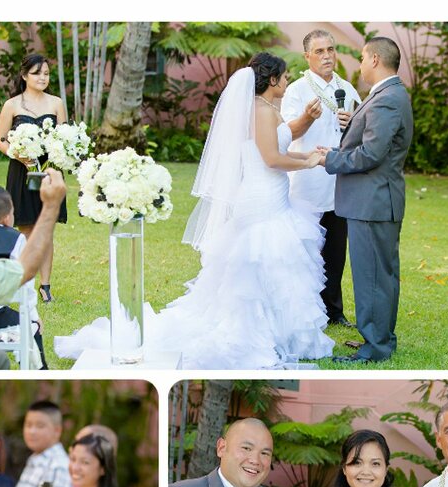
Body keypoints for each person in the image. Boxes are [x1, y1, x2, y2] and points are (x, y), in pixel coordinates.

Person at [55, 53, 333, 369]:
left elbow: (278, 145)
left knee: (277, 267)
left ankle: (280, 334)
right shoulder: (260, 111)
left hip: (274, 195)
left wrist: (306, 151)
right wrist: (308, 161)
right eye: (284, 76)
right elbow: (271, 159)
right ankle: (258, 333)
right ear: (272, 80)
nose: (287, 80)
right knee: (263, 263)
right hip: (262, 197)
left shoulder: (267, 108)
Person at [321, 37, 414, 364]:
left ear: (375, 59)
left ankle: (376, 347)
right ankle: (379, 338)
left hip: (372, 203)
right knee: (380, 275)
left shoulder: (387, 98)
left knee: (373, 276)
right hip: (375, 201)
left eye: (362, 58)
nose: (360, 64)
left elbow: (372, 154)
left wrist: (330, 160)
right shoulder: (388, 94)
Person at [282, 29, 361, 328]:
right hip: (307, 185)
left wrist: (352, 122)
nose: (327, 56)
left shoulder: (348, 89)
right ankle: (305, 312)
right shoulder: (298, 91)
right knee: (306, 253)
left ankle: (334, 311)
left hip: (341, 184)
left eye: (330, 49)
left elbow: (361, 134)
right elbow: (288, 133)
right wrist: (307, 118)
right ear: (307, 57)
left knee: (336, 252)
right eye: (320, 52)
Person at [0, 54, 68, 304]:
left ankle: (45, 286)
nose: (43, 78)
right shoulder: (12, 105)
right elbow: (2, 140)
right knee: (26, 228)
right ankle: (23, 283)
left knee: (46, 228)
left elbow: (65, 137)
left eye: (46, 73)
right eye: (37, 73)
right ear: (24, 75)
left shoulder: (57, 103)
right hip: (22, 171)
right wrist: (19, 154)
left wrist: (61, 153)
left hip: (49, 171)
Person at [0, 172, 67, 373]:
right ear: (6, 217)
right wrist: (34, 317)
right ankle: (38, 370)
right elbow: (26, 283)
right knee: (30, 325)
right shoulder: (15, 238)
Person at [15, 400, 71, 487]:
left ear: (57, 431)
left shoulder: (58, 467)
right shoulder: (34, 460)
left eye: (40, 426)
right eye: (28, 425)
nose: (32, 431)